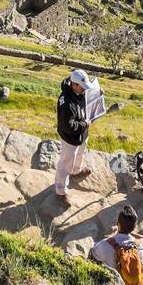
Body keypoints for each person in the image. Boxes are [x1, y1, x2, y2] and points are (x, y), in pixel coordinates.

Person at [55, 68, 91, 198]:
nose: (84, 90)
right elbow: (69, 126)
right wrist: (85, 124)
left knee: (80, 152)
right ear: (74, 85)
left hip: (81, 134)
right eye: (82, 87)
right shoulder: (66, 103)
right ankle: (60, 191)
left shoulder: (78, 91)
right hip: (70, 137)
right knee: (65, 164)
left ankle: (76, 171)